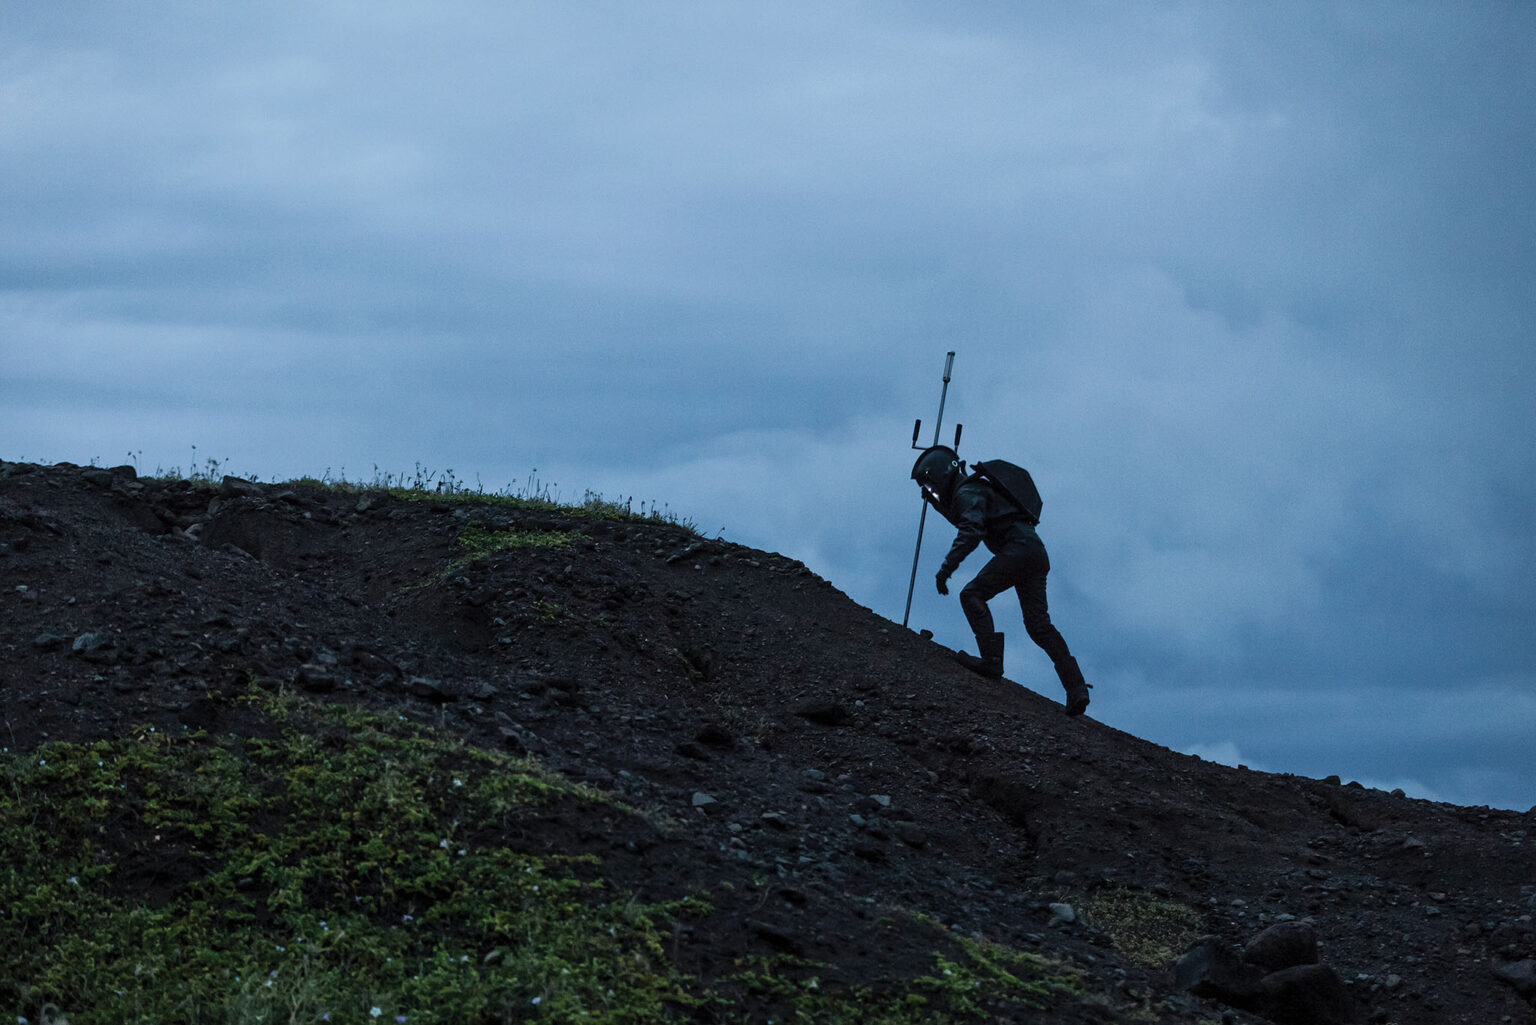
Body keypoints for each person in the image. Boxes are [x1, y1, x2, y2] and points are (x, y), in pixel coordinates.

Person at [911, 445, 1091, 716]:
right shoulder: (974, 490)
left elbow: (970, 529)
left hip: (1017, 550)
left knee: (971, 594)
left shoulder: (966, 493)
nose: (934, 492)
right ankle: (1076, 688)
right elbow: (966, 517)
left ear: (938, 476)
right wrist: (938, 505)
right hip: (1034, 552)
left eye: (932, 487)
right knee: (1039, 625)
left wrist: (946, 569)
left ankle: (992, 660)